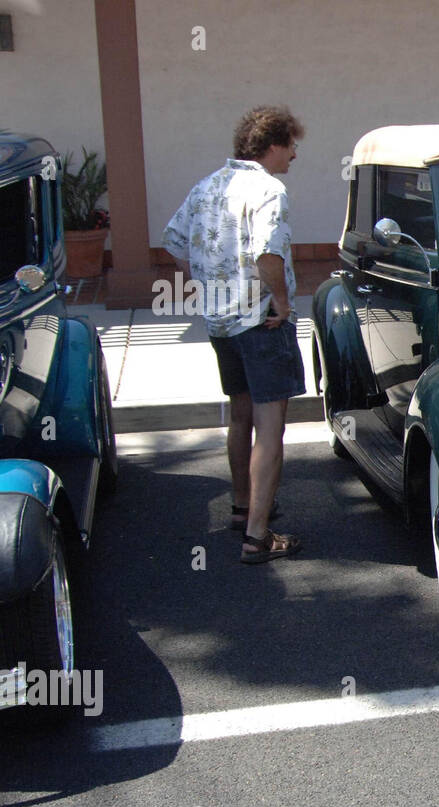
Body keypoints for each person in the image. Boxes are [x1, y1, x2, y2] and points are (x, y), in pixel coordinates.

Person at [163, 105, 306, 564]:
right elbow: (269, 257)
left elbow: (176, 242)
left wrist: (210, 282)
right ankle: (258, 537)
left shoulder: (207, 185)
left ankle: (242, 507)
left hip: (220, 322)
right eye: (290, 145)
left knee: (239, 416)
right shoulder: (268, 189)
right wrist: (282, 306)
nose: (294, 155)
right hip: (260, 322)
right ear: (271, 145)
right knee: (271, 428)